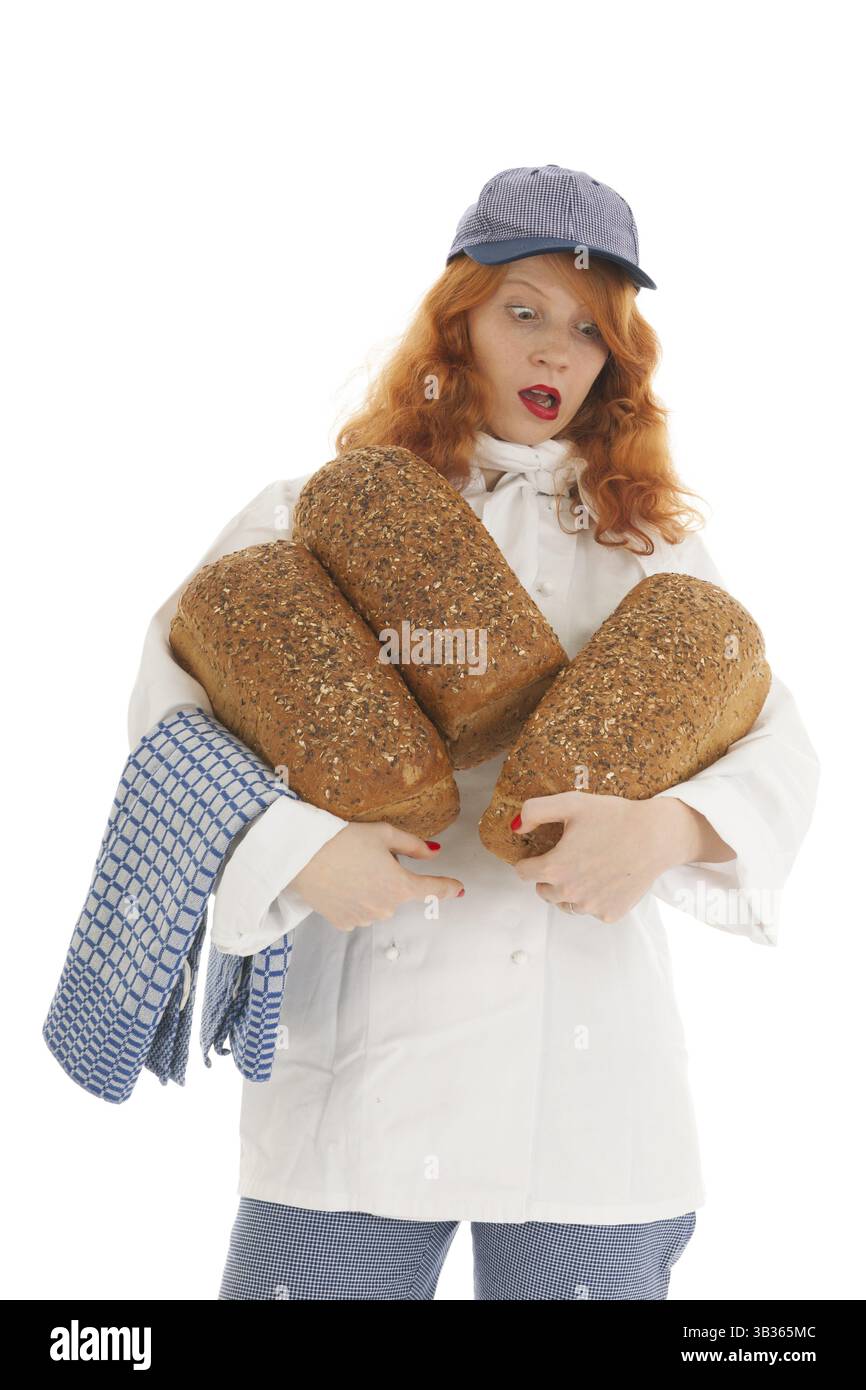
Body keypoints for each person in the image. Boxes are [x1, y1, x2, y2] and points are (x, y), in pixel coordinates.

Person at [127, 166, 820, 1300]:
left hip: (587, 1077)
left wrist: (666, 831)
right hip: (359, 1071)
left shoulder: (645, 547)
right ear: (456, 323)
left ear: (617, 361)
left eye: (589, 330)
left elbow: (773, 742)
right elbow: (171, 714)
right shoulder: (312, 509)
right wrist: (296, 848)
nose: (555, 352)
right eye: (524, 312)